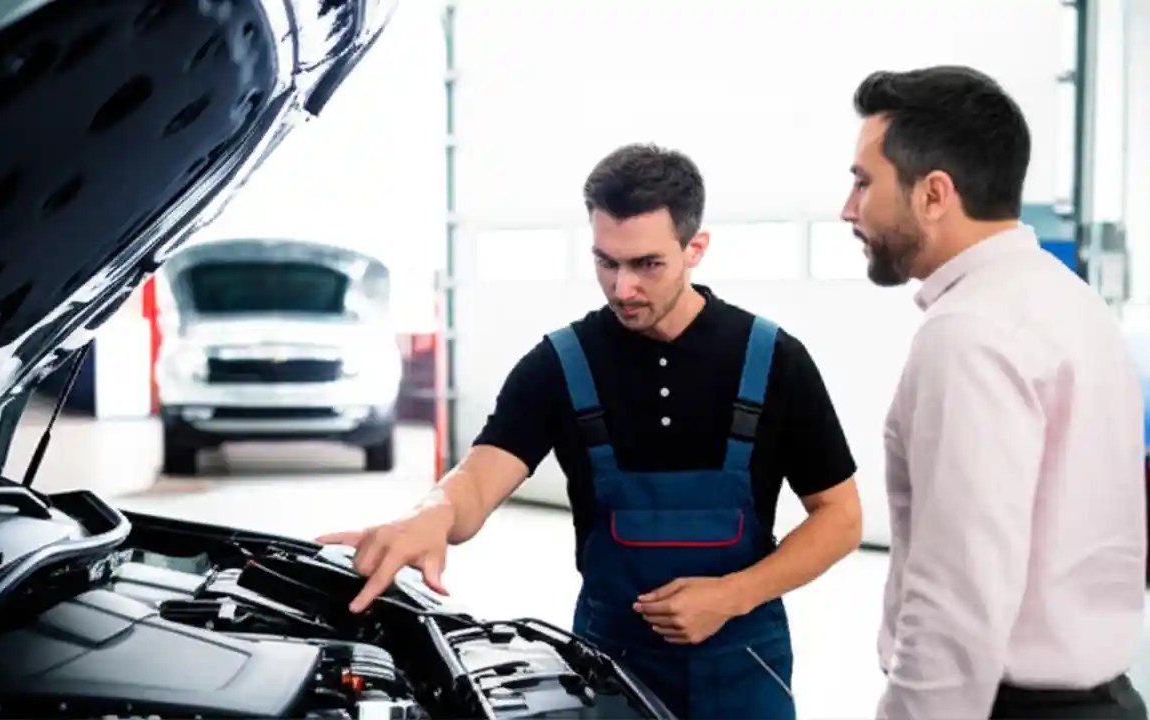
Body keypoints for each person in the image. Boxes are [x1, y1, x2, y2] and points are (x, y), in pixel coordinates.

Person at [318, 142, 863, 719]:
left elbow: (841, 517)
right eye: (607, 262)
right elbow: (478, 480)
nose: (622, 287)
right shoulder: (561, 362)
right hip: (611, 665)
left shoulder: (773, 358)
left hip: (744, 660)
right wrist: (429, 514)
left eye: (647, 264)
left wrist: (732, 596)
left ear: (695, 248)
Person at [840, 65, 1149, 720]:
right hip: (1101, 700)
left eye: (864, 182)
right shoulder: (1068, 301)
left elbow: (957, 596)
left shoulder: (968, 333)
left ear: (934, 194)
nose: (849, 208)